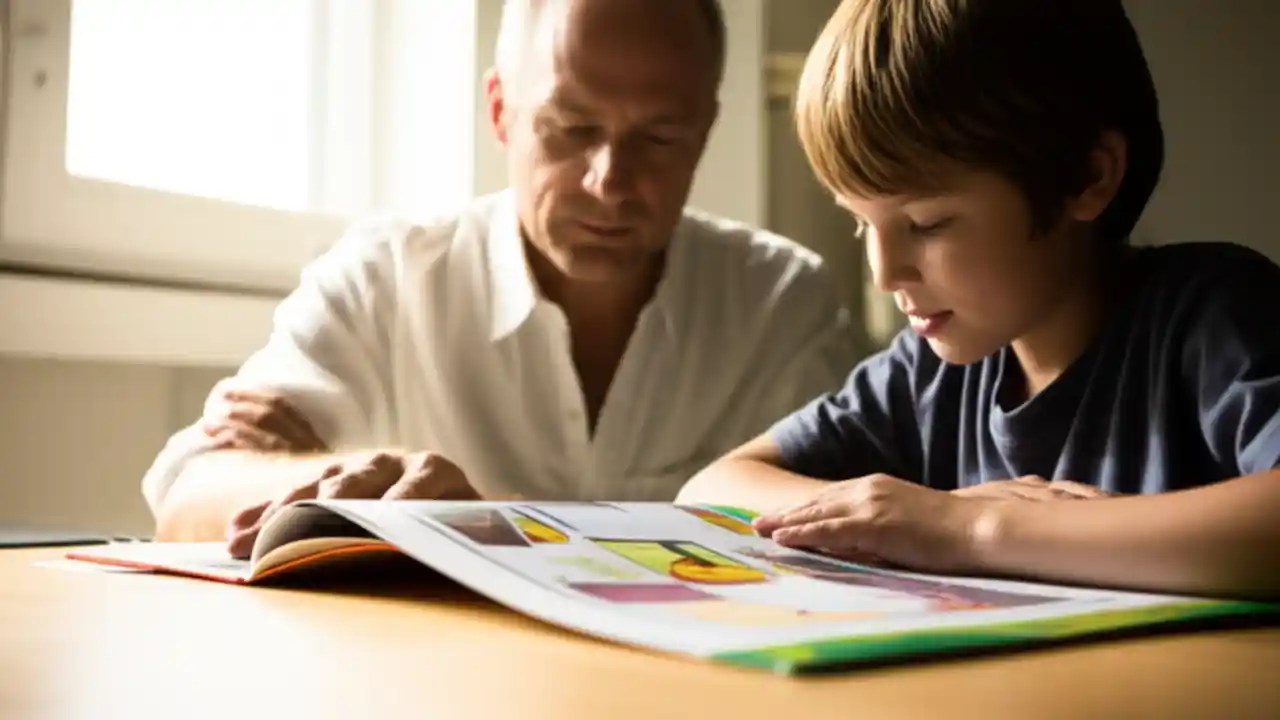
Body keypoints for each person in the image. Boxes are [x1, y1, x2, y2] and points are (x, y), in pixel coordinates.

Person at [143, 0, 857, 557]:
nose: (610, 182)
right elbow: (188, 494)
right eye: (571, 128)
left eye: (660, 137)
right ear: (500, 113)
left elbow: (842, 537)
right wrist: (376, 481)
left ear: (705, 129)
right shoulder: (387, 280)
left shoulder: (782, 305)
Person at [677, 0, 1280, 599]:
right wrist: (910, 514)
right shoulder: (925, 377)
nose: (885, 273)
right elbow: (713, 487)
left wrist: (970, 528)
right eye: (862, 223)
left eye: (929, 222)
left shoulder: (1213, 319)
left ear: (1087, 177)